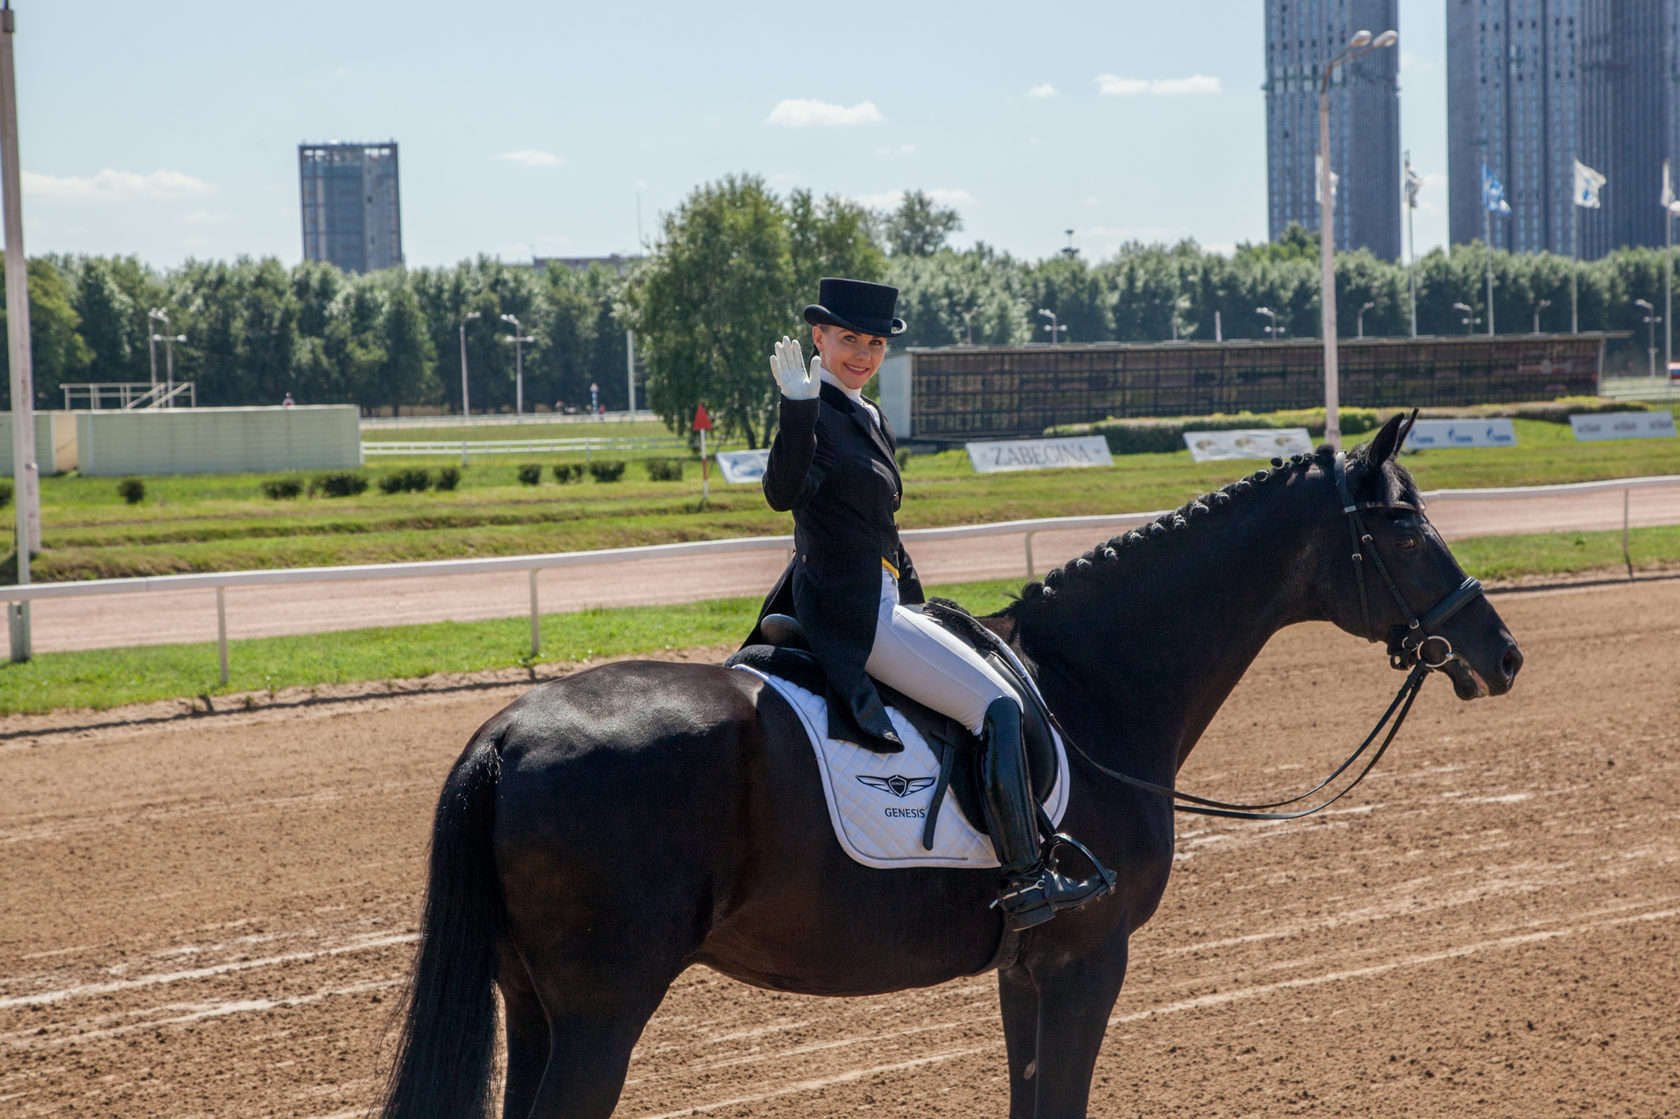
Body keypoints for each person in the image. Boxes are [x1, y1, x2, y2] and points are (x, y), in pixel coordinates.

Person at [744, 277, 1112, 931]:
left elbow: (880, 531)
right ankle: (1028, 876)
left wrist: (925, 607)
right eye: (849, 338)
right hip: (854, 614)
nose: (861, 353)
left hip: (887, 600)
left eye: (875, 342)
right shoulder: (817, 413)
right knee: (997, 706)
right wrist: (794, 412)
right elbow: (782, 492)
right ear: (819, 338)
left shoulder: (870, 417)